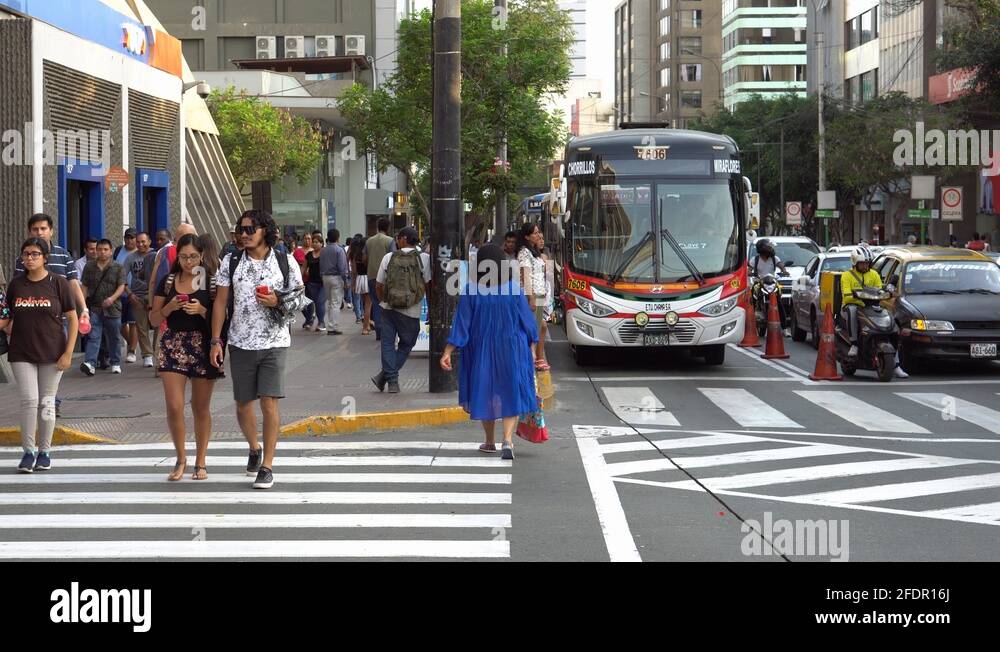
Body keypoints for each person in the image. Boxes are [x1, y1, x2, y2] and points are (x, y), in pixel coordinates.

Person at [211, 209, 303, 490]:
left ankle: (267, 466)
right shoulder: (231, 260)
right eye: (241, 229)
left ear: (266, 231)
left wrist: (277, 301)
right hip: (240, 342)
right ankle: (254, 447)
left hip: (275, 341)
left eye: (251, 229)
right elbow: (220, 302)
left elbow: (300, 299)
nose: (245, 234)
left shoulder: (285, 261)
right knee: (242, 404)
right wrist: (216, 340)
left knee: (269, 401)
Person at [440, 244, 538, 460]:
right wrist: (532, 346)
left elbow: (461, 325)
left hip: (482, 349)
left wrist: (448, 351)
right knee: (510, 390)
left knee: (487, 392)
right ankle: (508, 440)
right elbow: (528, 322)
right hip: (512, 347)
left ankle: (489, 441)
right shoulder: (513, 288)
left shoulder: (471, 289)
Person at [1, 238, 79, 472]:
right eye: (26, 254)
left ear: (45, 258)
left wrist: (68, 353)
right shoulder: (15, 285)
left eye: (35, 254)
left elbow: (73, 319)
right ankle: (28, 452)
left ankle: (44, 451)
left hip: (53, 353)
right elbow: (6, 317)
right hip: (21, 351)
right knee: (29, 401)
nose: (29, 258)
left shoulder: (59, 283)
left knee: (46, 402)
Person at [151, 233, 223, 482]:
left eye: (193, 256)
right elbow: (153, 319)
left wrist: (202, 310)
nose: (189, 262)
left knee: (200, 407)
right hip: (173, 344)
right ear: (177, 256)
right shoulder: (168, 281)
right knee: (174, 405)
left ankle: (200, 460)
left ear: (202, 256)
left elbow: (221, 318)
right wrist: (169, 308)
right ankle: (181, 457)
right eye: (184, 257)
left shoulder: (211, 282)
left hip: (202, 345)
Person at [12, 214, 90, 418]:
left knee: (54, 366)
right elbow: (17, 289)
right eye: (35, 229)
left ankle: (51, 403)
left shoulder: (63, 256)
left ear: (51, 230)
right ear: (30, 231)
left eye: (43, 229)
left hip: (60, 321)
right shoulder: (24, 258)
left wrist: (84, 309)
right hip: (30, 322)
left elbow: (74, 284)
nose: (39, 232)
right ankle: (40, 403)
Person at [372, 227, 431, 394]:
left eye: (398, 238)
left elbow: (378, 285)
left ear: (404, 239)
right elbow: (428, 286)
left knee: (388, 344)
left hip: (388, 309)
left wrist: (384, 300)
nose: (397, 240)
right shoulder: (424, 259)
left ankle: (389, 379)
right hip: (411, 311)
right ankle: (388, 378)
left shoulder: (389, 257)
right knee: (407, 343)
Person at [79, 239, 126, 376]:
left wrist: (112, 298)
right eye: (99, 249)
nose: (102, 252)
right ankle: (90, 363)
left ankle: (116, 362)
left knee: (114, 337)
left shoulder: (118, 267)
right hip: (95, 307)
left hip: (113, 308)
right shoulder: (89, 267)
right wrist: (83, 306)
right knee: (94, 336)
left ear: (111, 251)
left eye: (105, 249)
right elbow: (84, 286)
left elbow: (121, 285)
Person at [517, 223, 550, 370]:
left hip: (540, 292)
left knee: (537, 327)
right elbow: (525, 276)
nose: (538, 235)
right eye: (535, 233)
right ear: (527, 236)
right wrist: (530, 298)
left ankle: (533, 360)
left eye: (538, 232)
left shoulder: (535, 252)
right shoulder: (524, 252)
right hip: (532, 294)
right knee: (532, 330)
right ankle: (529, 361)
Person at [123, 232, 155, 367]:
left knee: (158, 326)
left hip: (155, 295)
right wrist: (130, 294)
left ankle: (157, 352)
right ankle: (147, 355)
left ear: (149, 241)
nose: (141, 244)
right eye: (138, 242)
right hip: (137, 296)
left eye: (143, 241)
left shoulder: (156, 255)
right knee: (141, 327)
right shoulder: (130, 258)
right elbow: (122, 278)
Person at [364, 218, 395, 340]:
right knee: (386, 304)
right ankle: (386, 331)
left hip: (371, 275)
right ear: (388, 228)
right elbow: (393, 258)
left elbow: (364, 258)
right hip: (386, 277)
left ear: (377, 227)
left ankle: (379, 331)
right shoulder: (390, 241)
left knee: (376, 304)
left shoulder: (369, 241)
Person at [115, 229, 139, 361]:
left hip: (135, 293)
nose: (129, 240)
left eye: (132, 238)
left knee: (133, 322)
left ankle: (132, 351)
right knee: (120, 323)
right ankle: (131, 342)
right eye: (127, 238)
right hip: (119, 292)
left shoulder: (140, 252)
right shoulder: (118, 251)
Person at [320, 229, 349, 335]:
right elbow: (342, 267)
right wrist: (345, 281)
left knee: (330, 302)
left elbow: (321, 264)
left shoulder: (323, 250)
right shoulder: (339, 250)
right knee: (336, 303)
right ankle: (333, 327)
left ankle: (330, 324)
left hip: (325, 277)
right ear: (338, 237)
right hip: (336, 277)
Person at [304, 231, 326, 332]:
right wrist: (299, 279)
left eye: (317, 242)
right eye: (314, 242)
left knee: (320, 302)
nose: (315, 244)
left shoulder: (325, 253)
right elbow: (304, 268)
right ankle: (310, 320)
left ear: (322, 243)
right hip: (311, 283)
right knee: (310, 303)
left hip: (323, 283)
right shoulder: (308, 255)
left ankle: (321, 322)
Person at [349, 234, 368, 327]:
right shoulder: (366, 255)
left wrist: (352, 283)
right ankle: (365, 320)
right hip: (366, 278)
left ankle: (359, 317)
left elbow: (354, 270)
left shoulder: (354, 254)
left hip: (358, 278)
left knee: (358, 299)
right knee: (366, 302)